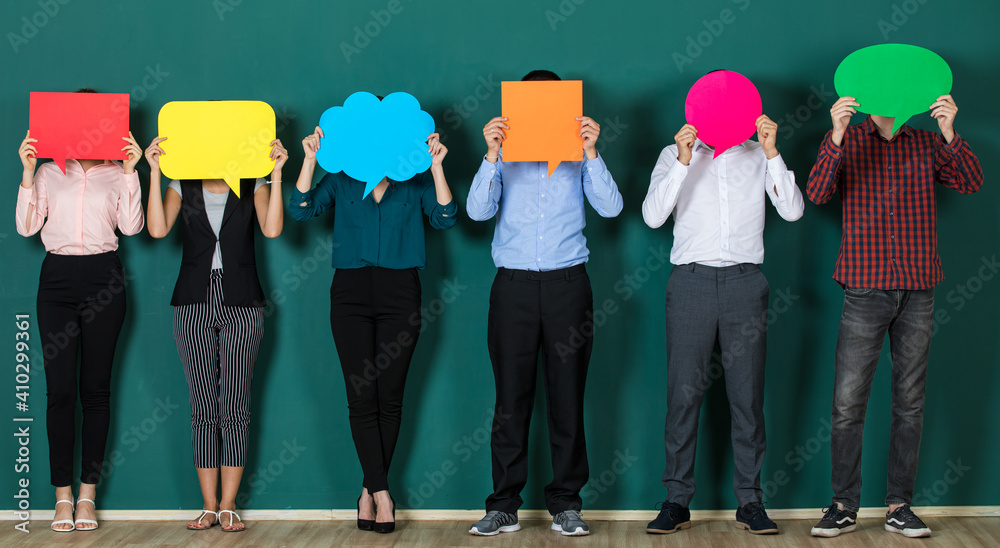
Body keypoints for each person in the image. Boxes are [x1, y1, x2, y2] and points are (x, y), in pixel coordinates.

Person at [806, 94, 982, 539]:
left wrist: (949, 133)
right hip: (864, 286)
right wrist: (837, 134)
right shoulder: (846, 141)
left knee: (910, 401)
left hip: (919, 287)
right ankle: (844, 504)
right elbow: (817, 192)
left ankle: (899, 506)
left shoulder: (925, 143)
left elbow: (971, 183)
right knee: (848, 402)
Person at [466, 69, 623, 537]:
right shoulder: (503, 156)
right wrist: (492, 154)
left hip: (567, 284)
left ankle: (567, 504)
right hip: (512, 285)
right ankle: (503, 505)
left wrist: (592, 152)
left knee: (567, 397)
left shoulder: (579, 155)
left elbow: (611, 208)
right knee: (510, 401)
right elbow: (477, 211)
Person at [289, 123, 457, 534]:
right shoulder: (342, 181)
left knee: (391, 397)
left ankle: (369, 490)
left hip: (402, 292)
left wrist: (436, 167)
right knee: (361, 395)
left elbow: (446, 217)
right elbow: (300, 208)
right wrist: (309, 160)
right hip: (350, 293)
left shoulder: (414, 183)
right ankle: (382, 493)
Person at [642, 112, 804, 536]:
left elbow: (792, 210)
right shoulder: (673, 154)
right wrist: (682, 160)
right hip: (690, 281)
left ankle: (750, 501)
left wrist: (772, 152)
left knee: (747, 398)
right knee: (682, 395)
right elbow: (652, 217)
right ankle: (676, 501)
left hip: (745, 283)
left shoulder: (758, 156)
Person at [144, 134, 288, 533]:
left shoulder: (252, 182)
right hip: (192, 300)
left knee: (236, 402)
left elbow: (273, 229)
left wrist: (275, 173)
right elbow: (157, 229)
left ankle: (229, 504)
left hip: (242, 300)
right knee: (203, 403)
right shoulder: (180, 183)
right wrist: (155, 172)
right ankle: (208, 505)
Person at [15, 92, 145, 532]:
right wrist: (29, 172)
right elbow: (27, 227)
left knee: (96, 391)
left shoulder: (115, 175)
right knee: (60, 392)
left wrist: (131, 173)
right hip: (56, 280)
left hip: (105, 277)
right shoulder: (51, 172)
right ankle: (62, 498)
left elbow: (131, 228)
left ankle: (87, 496)